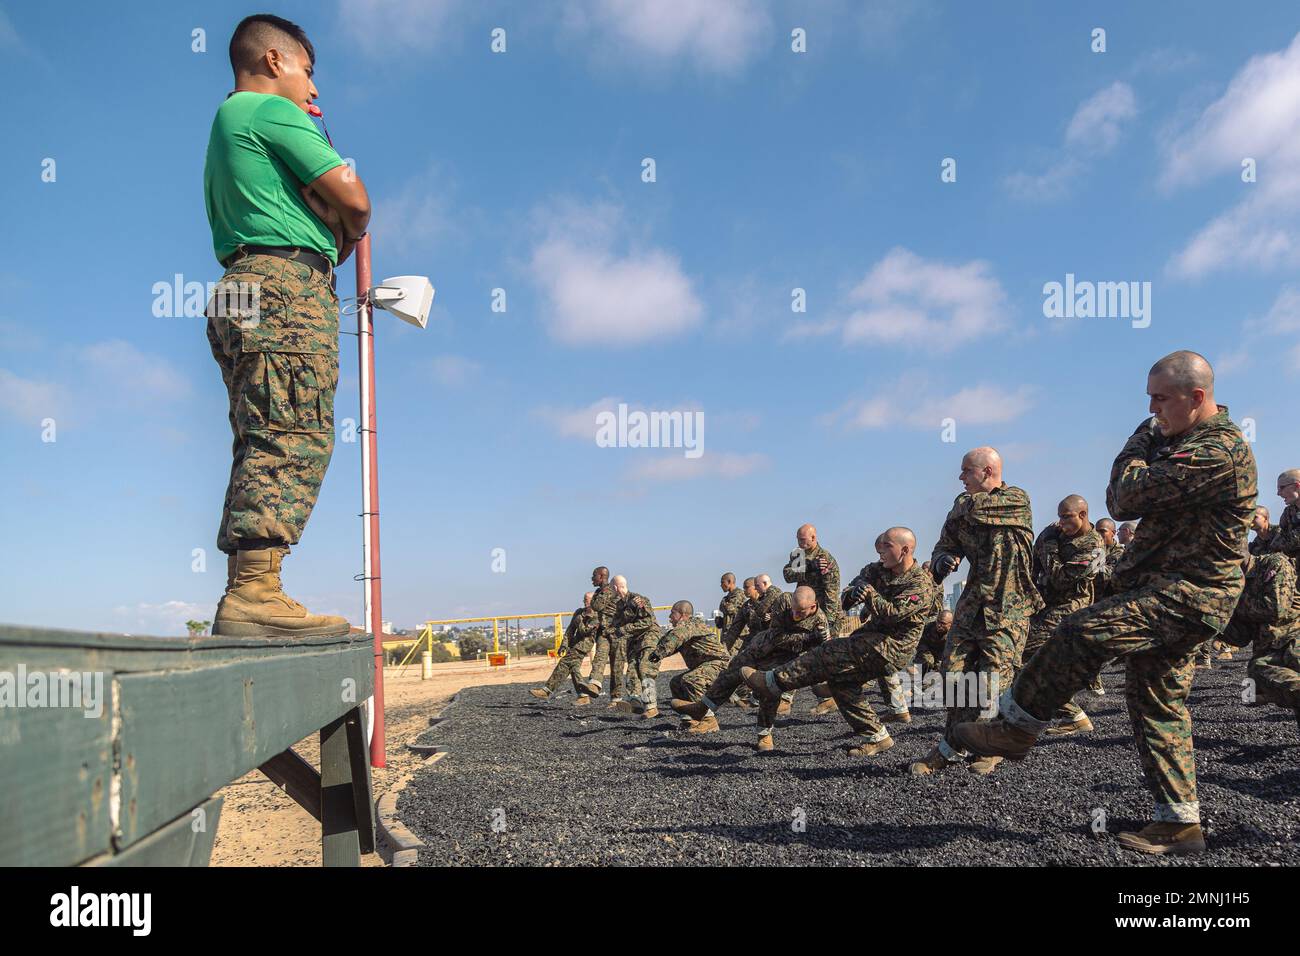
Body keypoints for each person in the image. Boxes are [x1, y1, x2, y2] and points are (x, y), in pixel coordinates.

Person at [954, 351, 1257, 856]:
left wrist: (1141, 439)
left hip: (1191, 593)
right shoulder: (1182, 441)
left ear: (1196, 397)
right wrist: (1154, 437)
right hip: (1166, 589)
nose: (1152, 409)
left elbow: (1122, 497)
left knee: (1079, 631)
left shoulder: (1217, 451)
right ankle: (1180, 824)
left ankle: (1016, 728)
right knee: (1154, 700)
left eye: (1160, 399)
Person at [205, 14, 371, 636]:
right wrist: (346, 227)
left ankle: (251, 588)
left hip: (244, 284)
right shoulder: (268, 110)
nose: (314, 92)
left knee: (263, 430)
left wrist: (330, 220)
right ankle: (254, 593)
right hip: (282, 285)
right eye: (308, 71)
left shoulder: (229, 124)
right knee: (292, 430)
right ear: (275, 61)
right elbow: (355, 198)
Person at [741, 528, 934, 758]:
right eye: (880, 546)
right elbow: (846, 592)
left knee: (829, 651)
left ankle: (773, 682)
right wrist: (854, 593)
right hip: (868, 638)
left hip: (893, 647)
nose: (880, 551)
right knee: (840, 681)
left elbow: (893, 614)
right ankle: (876, 736)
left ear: (905, 550)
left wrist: (869, 595)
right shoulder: (875, 569)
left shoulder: (920, 583)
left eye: (886, 546)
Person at [910, 447, 1043, 777]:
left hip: (1008, 606)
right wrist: (943, 560)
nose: (960, 478)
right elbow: (946, 542)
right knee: (953, 675)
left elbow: (978, 508)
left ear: (987, 472)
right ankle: (951, 747)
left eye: (966, 471)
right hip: (972, 607)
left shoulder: (1015, 499)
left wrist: (960, 508)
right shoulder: (961, 507)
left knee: (993, 680)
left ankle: (991, 746)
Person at [674, 586, 828, 752]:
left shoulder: (820, 622)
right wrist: (808, 637)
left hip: (783, 659)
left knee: (769, 691)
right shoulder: (784, 601)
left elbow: (821, 651)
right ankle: (702, 708)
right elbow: (777, 636)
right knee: (729, 673)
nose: (795, 615)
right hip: (760, 648)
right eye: (794, 610)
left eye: (801, 612)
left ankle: (764, 734)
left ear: (813, 607)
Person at [1020, 495, 1105, 735]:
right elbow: (1034, 562)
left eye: (1067, 517)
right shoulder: (1057, 538)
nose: (1061, 523)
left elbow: (1060, 578)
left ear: (1083, 515)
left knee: (1021, 655)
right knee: (1039, 662)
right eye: (1059, 517)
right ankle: (1072, 715)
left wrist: (1048, 544)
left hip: (1068, 610)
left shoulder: (1093, 546)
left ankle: (1072, 714)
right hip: (1044, 608)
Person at [644, 601, 731, 724]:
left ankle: (708, 720)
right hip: (708, 666)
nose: (669, 618)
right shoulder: (684, 629)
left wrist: (658, 654)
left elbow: (674, 638)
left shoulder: (689, 625)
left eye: (672, 613)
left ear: (683, 615)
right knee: (676, 683)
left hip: (720, 664)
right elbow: (668, 640)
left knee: (691, 679)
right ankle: (690, 718)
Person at [530, 592, 598, 701]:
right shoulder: (579, 612)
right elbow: (570, 630)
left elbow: (584, 631)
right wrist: (564, 645)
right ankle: (583, 696)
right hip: (574, 644)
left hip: (583, 646)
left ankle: (547, 690)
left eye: (588, 600)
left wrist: (581, 619)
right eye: (584, 599)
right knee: (573, 668)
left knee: (564, 663)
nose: (585, 602)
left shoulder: (597, 616)